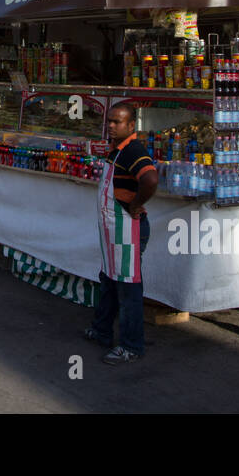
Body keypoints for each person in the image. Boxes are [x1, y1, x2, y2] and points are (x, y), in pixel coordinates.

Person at [85, 104, 158, 366]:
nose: (112, 126)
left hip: (129, 229)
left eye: (117, 122)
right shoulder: (116, 150)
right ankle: (102, 330)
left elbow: (150, 179)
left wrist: (136, 204)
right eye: (110, 121)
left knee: (128, 289)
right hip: (113, 230)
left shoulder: (133, 150)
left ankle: (131, 346)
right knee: (108, 281)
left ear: (131, 126)